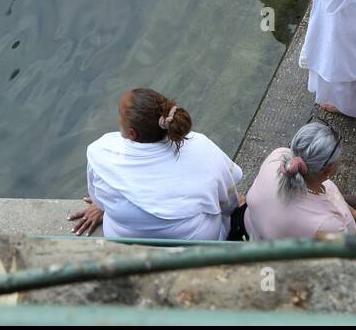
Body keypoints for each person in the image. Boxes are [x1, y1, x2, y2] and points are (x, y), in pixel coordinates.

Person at [69, 88, 243, 240]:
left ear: (132, 133)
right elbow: (228, 200)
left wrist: (109, 206)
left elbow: (99, 199)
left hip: (128, 250)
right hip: (196, 246)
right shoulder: (201, 147)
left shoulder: (101, 151)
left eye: (120, 114)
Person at [244, 122, 356, 240]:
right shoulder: (326, 224)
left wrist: (355, 214)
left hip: (256, 227)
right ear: (328, 170)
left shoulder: (278, 156)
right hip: (288, 259)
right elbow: (344, 256)